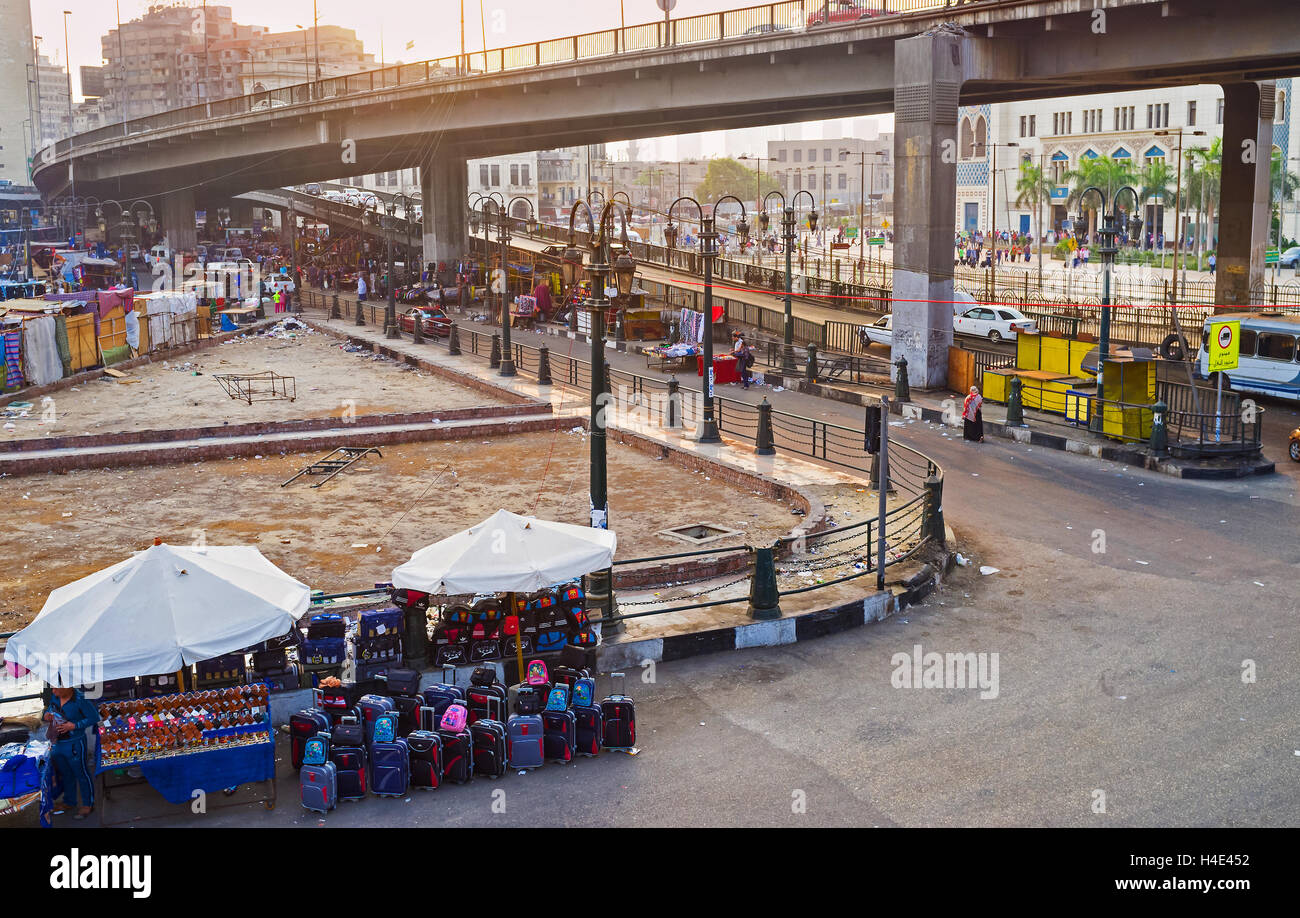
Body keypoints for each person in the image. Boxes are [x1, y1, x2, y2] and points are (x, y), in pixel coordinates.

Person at [44, 685, 98, 819]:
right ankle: (69, 801)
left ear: (67, 687)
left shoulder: (81, 699)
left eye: (56, 688)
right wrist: (47, 715)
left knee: (81, 773)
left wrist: (74, 725)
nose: (53, 691)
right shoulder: (55, 697)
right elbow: (50, 709)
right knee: (66, 774)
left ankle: (88, 803)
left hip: (75, 742)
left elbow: (93, 718)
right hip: (58, 742)